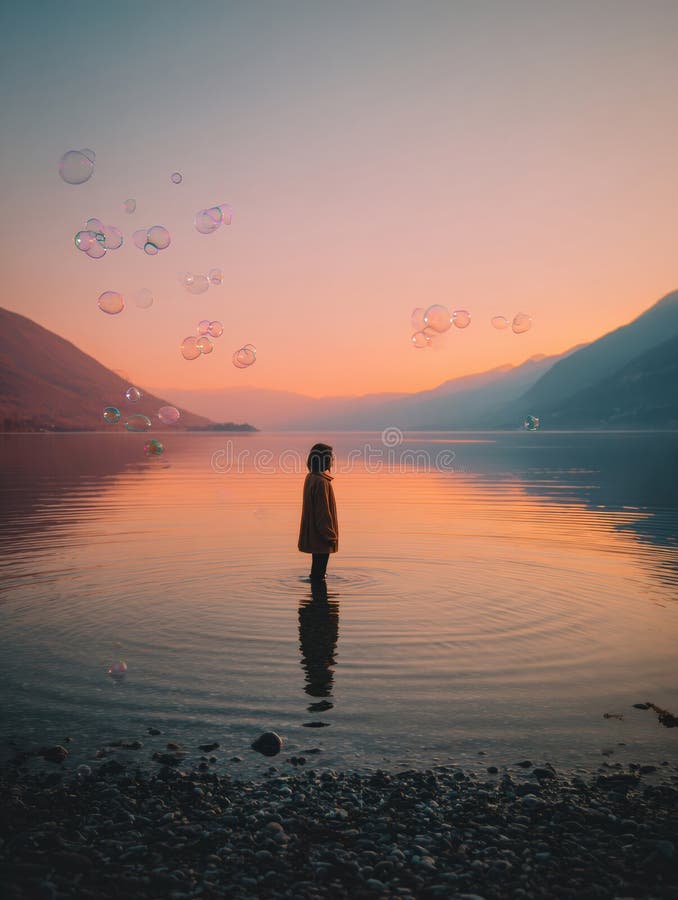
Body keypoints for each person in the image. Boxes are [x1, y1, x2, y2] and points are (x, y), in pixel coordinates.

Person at [298, 443, 338, 581]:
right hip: (322, 535)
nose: (333, 460)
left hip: (314, 533)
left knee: (316, 571)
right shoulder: (321, 482)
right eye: (331, 457)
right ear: (324, 460)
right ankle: (319, 594)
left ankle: (316, 593)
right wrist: (330, 535)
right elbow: (322, 511)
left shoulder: (311, 477)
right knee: (319, 574)